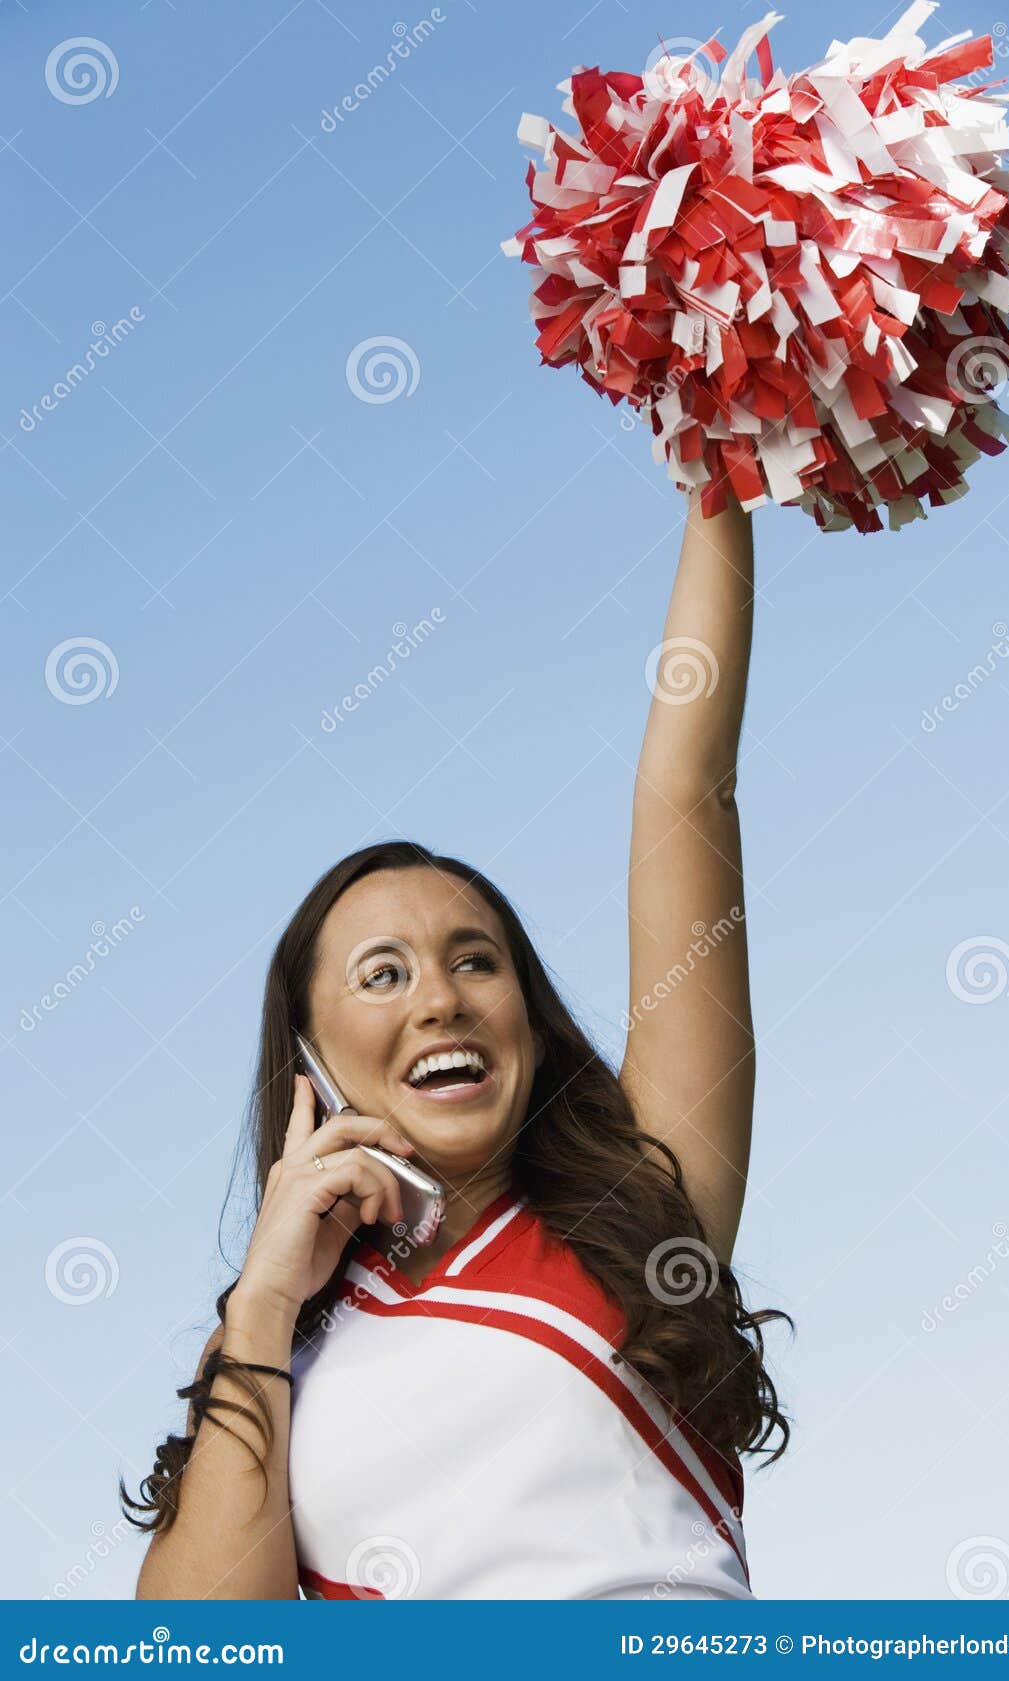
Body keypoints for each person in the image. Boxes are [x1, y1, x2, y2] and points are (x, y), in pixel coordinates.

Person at [124, 490, 791, 1599]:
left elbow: (689, 795)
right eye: (382, 974)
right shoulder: (273, 1342)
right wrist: (264, 1300)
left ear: (527, 1016)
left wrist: (719, 470)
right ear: (316, 1056)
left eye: (477, 961)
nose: (440, 997)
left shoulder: (639, 1205)